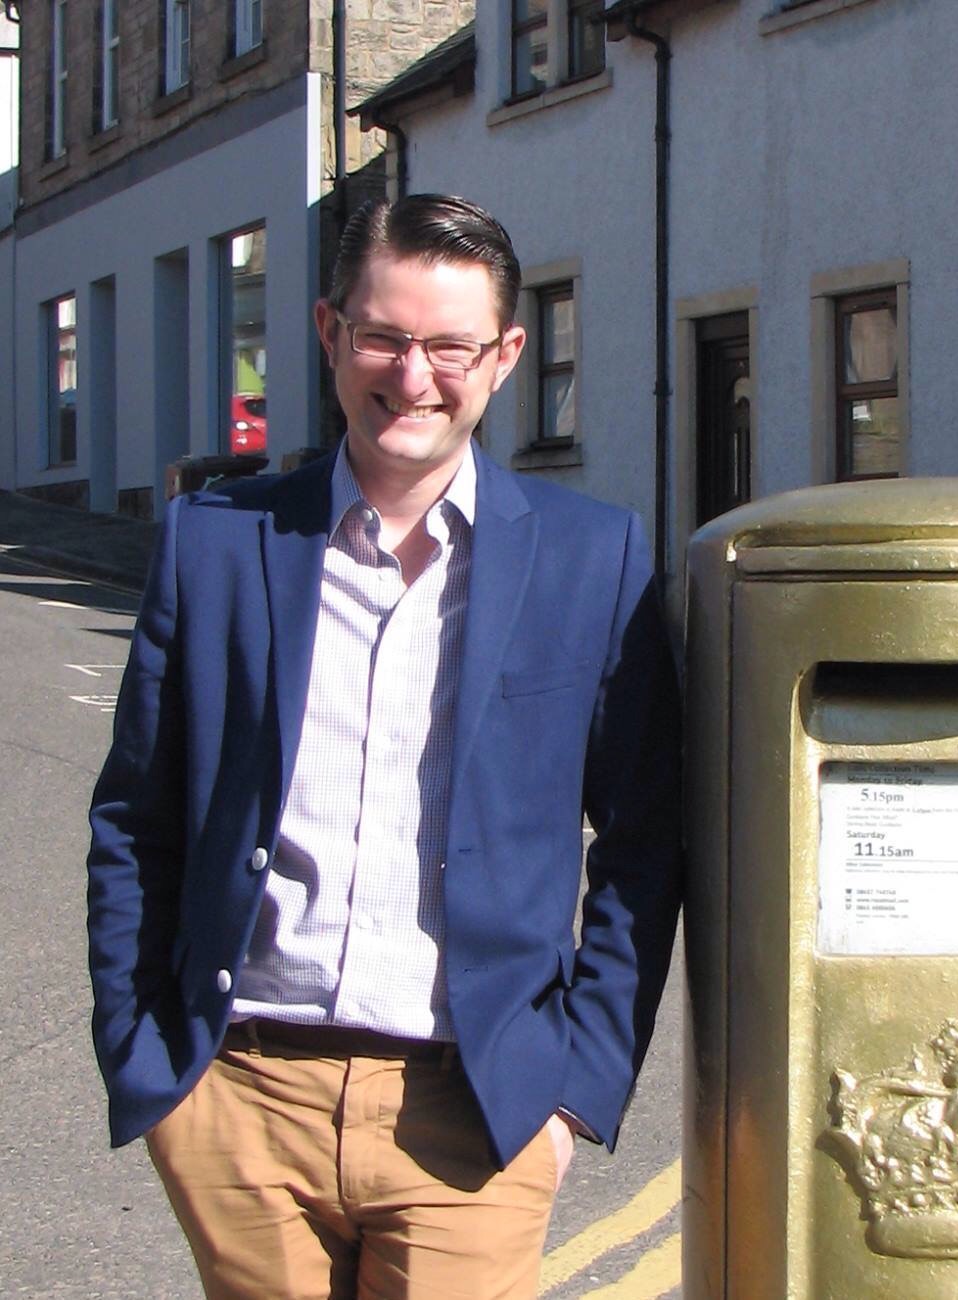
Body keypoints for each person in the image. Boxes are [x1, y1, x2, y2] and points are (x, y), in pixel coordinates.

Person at [87, 193, 683, 1299]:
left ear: (505, 356)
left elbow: (645, 843)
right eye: (383, 337)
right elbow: (137, 815)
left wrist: (574, 1090)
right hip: (243, 1096)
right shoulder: (214, 542)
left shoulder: (593, 557)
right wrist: (149, 1060)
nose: (413, 377)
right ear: (329, 333)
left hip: (476, 1106)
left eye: (451, 346)